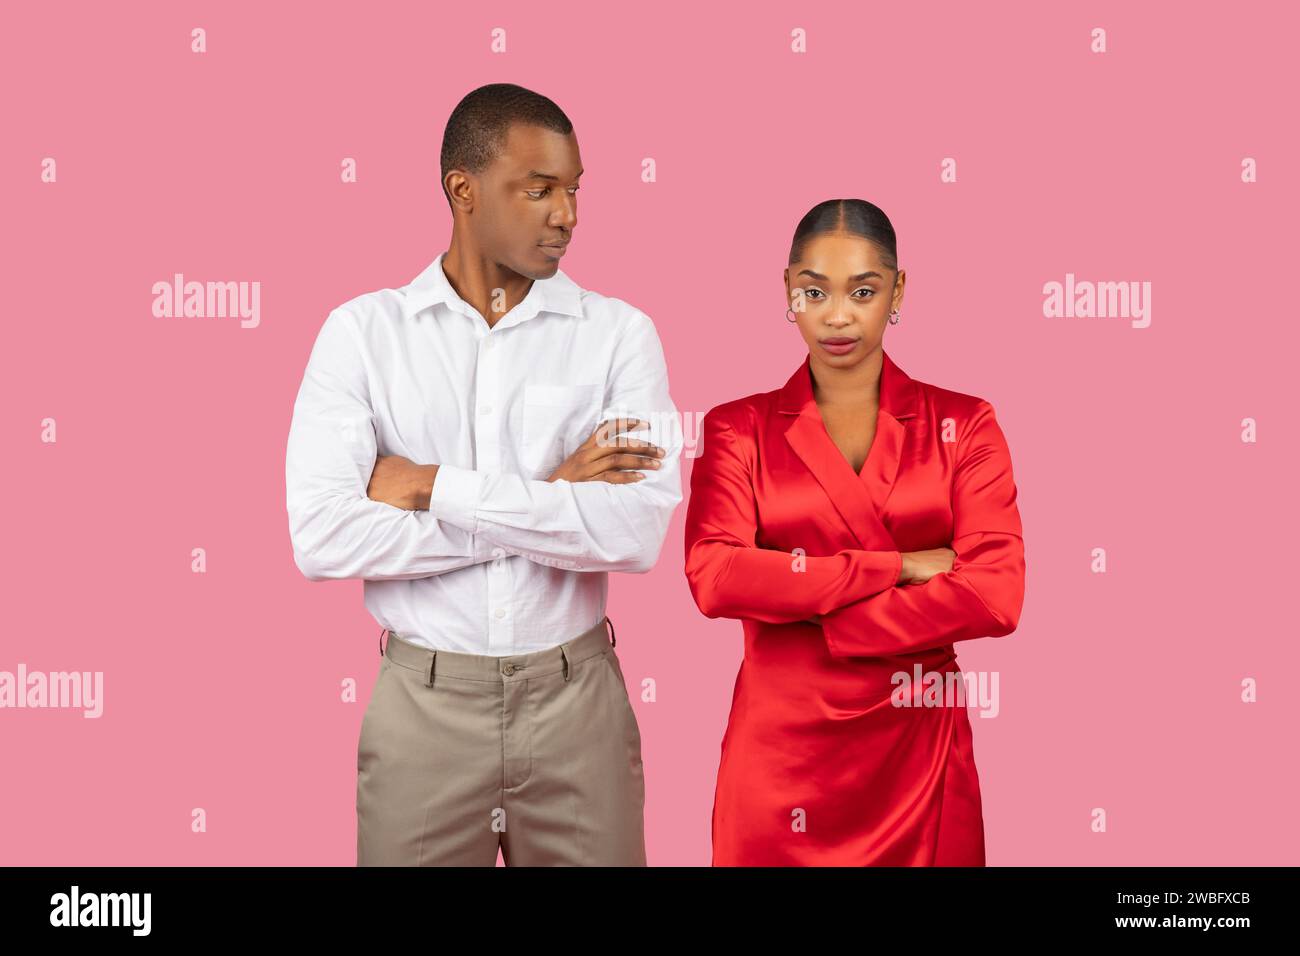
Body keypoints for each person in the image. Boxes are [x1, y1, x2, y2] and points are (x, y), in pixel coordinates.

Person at [285, 83, 683, 866]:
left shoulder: (620, 336)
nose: (566, 214)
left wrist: (432, 484)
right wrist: (554, 498)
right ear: (462, 190)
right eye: (538, 190)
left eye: (573, 190)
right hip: (423, 713)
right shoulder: (362, 336)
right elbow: (323, 539)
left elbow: (635, 535)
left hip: (580, 713)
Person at [683, 199, 1026, 866]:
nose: (837, 316)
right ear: (788, 290)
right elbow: (716, 577)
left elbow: (995, 595)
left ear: (898, 291)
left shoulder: (965, 422)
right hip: (781, 759)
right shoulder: (737, 427)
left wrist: (823, 621)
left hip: (916, 754)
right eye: (814, 291)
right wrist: (895, 566)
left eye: (862, 292)